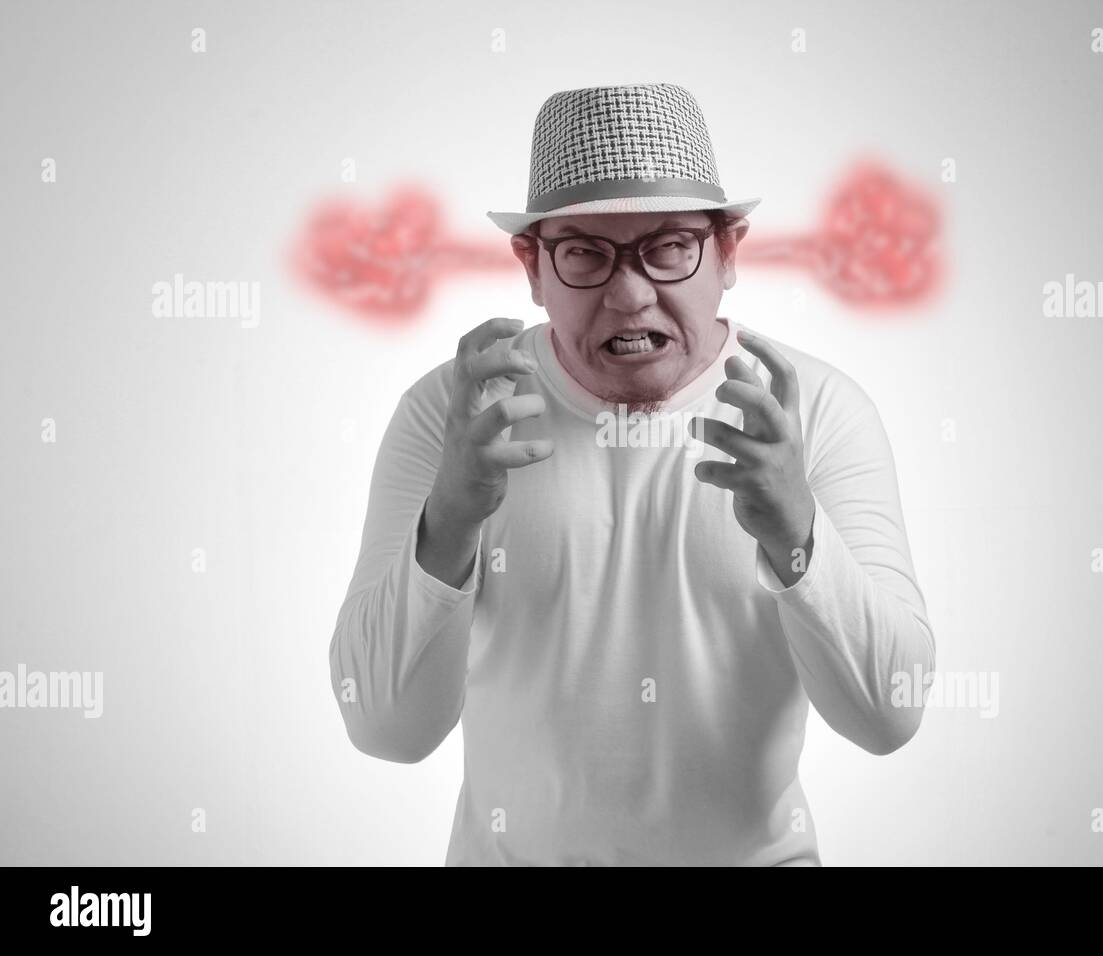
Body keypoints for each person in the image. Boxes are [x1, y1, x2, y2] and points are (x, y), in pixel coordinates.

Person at [328, 82, 935, 865]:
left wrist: (795, 529)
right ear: (532, 266)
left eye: (670, 245)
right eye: (584, 251)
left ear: (728, 253)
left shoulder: (815, 412)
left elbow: (891, 717)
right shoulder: (459, 415)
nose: (628, 291)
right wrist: (450, 518)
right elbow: (384, 729)